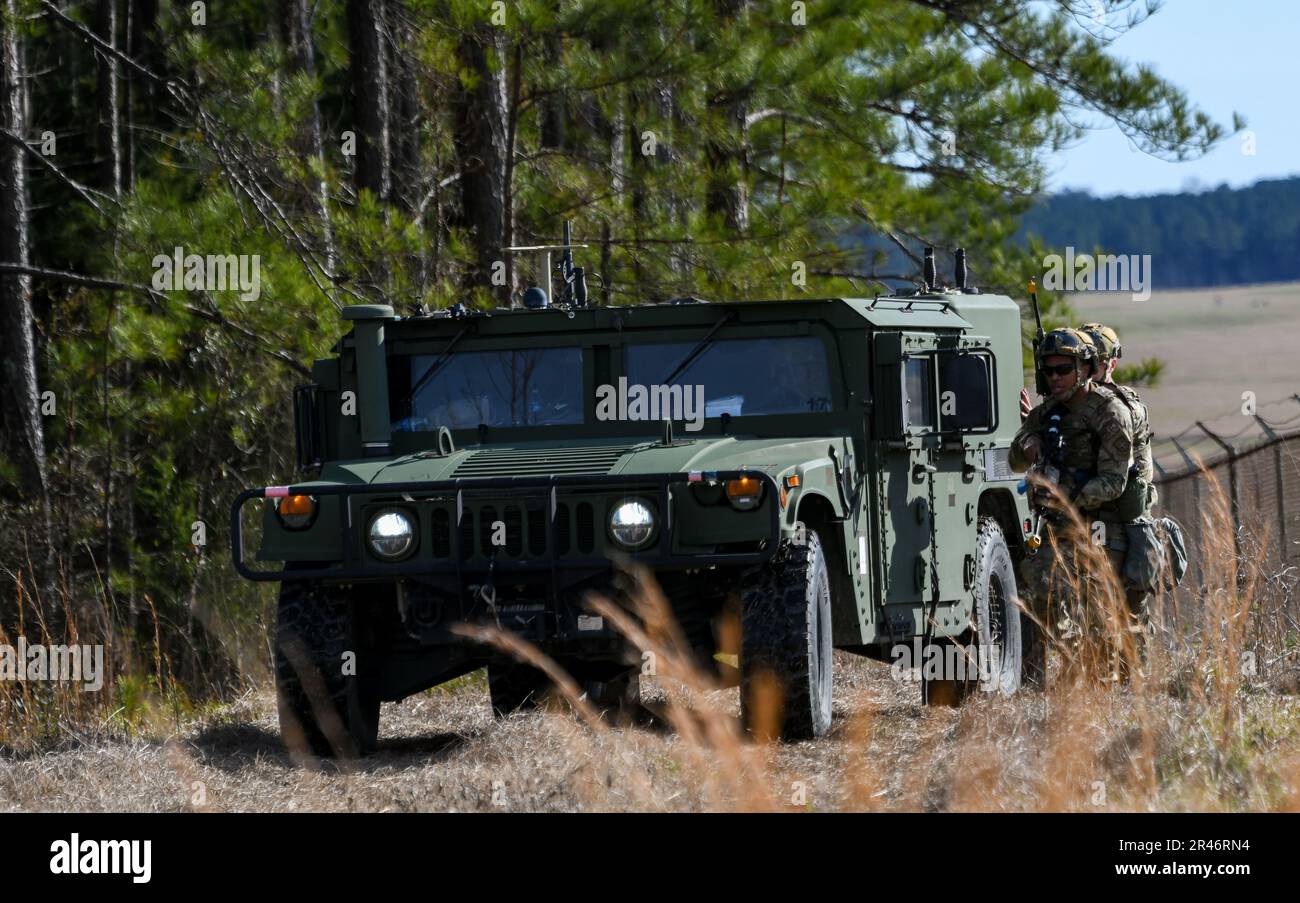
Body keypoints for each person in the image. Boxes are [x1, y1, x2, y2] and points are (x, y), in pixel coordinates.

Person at [1010, 328, 1137, 680]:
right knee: (1036, 588)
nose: (1054, 378)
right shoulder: (1048, 411)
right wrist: (1028, 442)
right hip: (1059, 527)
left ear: (1084, 368)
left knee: (1097, 610)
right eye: (1048, 371)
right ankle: (1041, 677)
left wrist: (1068, 498)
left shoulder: (1110, 413)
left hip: (1101, 527)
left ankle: (1103, 681)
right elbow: (1015, 458)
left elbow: (1114, 481)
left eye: (1063, 369)